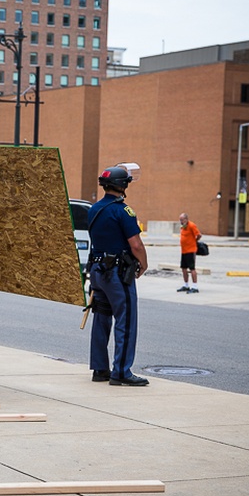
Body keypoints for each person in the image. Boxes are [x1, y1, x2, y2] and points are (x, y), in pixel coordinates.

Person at [87, 165, 149, 386]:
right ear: (123, 186)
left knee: (101, 318)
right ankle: (121, 371)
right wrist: (144, 263)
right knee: (126, 319)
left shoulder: (94, 209)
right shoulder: (124, 211)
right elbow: (136, 245)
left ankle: (100, 369)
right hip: (117, 274)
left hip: (97, 271)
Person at [177, 213, 202, 293]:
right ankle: (186, 285)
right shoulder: (183, 227)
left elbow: (199, 235)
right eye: (180, 220)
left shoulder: (191, 225)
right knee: (183, 268)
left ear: (186, 219)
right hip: (184, 251)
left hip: (191, 250)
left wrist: (194, 241)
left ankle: (195, 286)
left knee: (192, 268)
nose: (181, 221)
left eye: (182, 220)